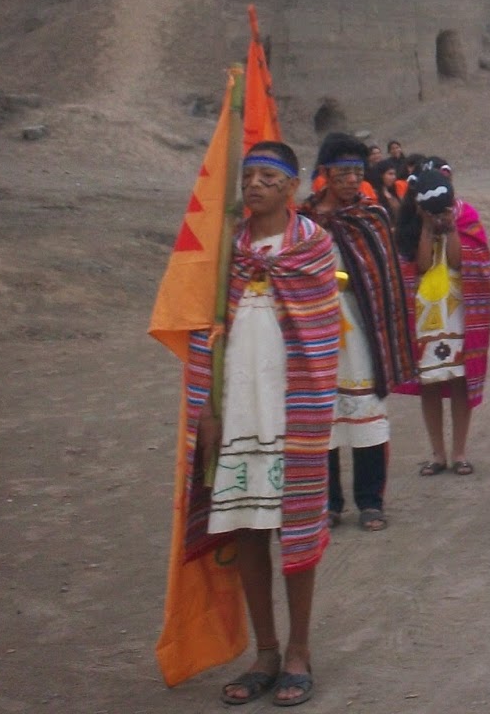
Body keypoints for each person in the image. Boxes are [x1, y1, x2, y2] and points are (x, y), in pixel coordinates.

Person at [193, 142, 340, 708]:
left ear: (292, 186)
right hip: (238, 409)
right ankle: (266, 650)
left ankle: (299, 650)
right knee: (249, 527)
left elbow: (321, 334)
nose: (254, 185)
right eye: (248, 175)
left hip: (292, 409)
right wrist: (208, 406)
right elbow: (211, 331)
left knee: (295, 529)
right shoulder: (229, 252)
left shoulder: (313, 248)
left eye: (267, 177)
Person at [301, 134, 415, 534]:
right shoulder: (303, 222)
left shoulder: (372, 216)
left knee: (366, 416)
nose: (350, 180)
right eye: (341, 172)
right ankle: (328, 503)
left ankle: (370, 501)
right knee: (323, 419)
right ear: (325, 174)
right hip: (314, 333)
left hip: (362, 332)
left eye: (356, 172)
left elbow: (383, 278)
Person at [393, 157, 490, 478]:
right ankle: (437, 453)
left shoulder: (468, 217)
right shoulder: (409, 224)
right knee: (430, 383)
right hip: (425, 314)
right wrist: (425, 227)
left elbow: (459, 261)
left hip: (457, 310)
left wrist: (449, 228)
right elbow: (420, 266)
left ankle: (460, 452)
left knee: (460, 380)